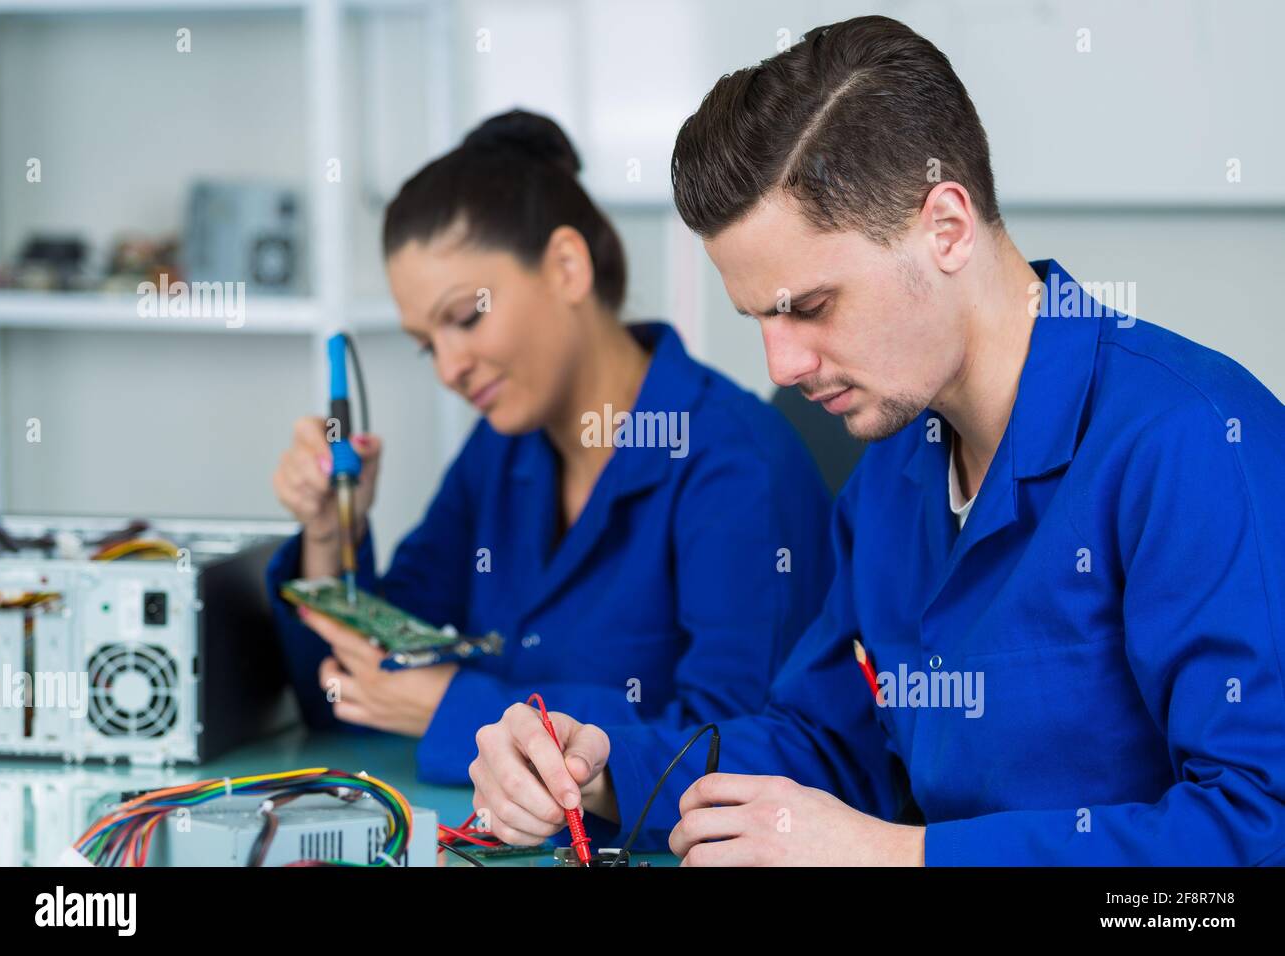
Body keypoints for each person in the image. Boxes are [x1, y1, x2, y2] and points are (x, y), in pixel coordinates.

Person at [466, 18, 1285, 864]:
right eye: (758, 319)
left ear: (948, 229)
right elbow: (824, 747)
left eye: (810, 307)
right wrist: (598, 772)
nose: (781, 365)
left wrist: (903, 858)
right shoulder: (893, 470)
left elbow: (1260, 831)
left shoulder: (1194, 446)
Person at [266, 110, 835, 785]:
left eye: (467, 317)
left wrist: (456, 708)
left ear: (567, 266)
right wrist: (332, 534)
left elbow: (739, 752)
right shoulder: (501, 453)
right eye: (428, 346)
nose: (449, 368)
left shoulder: (736, 466)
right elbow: (350, 695)